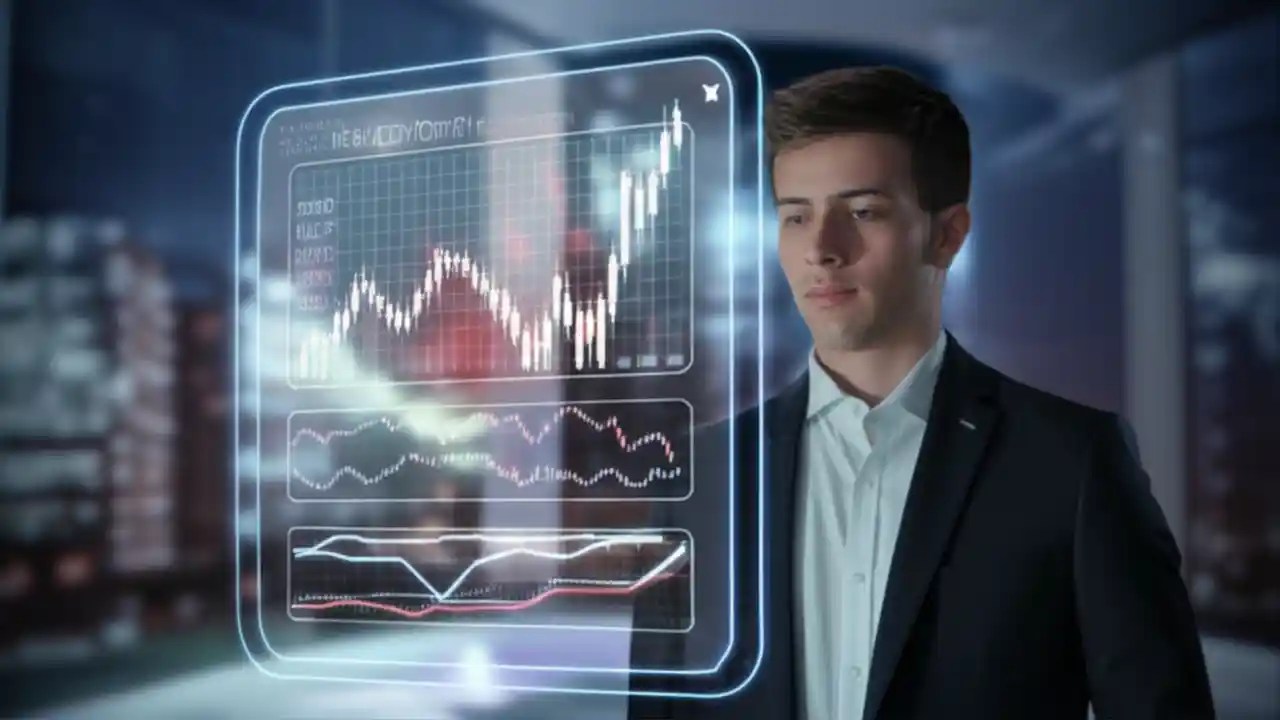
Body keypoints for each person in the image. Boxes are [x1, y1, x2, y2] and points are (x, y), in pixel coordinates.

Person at [629, 66, 1214, 720]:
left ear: (947, 234)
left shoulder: (1072, 465)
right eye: (796, 216)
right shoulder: (702, 482)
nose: (821, 249)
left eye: (863, 211)